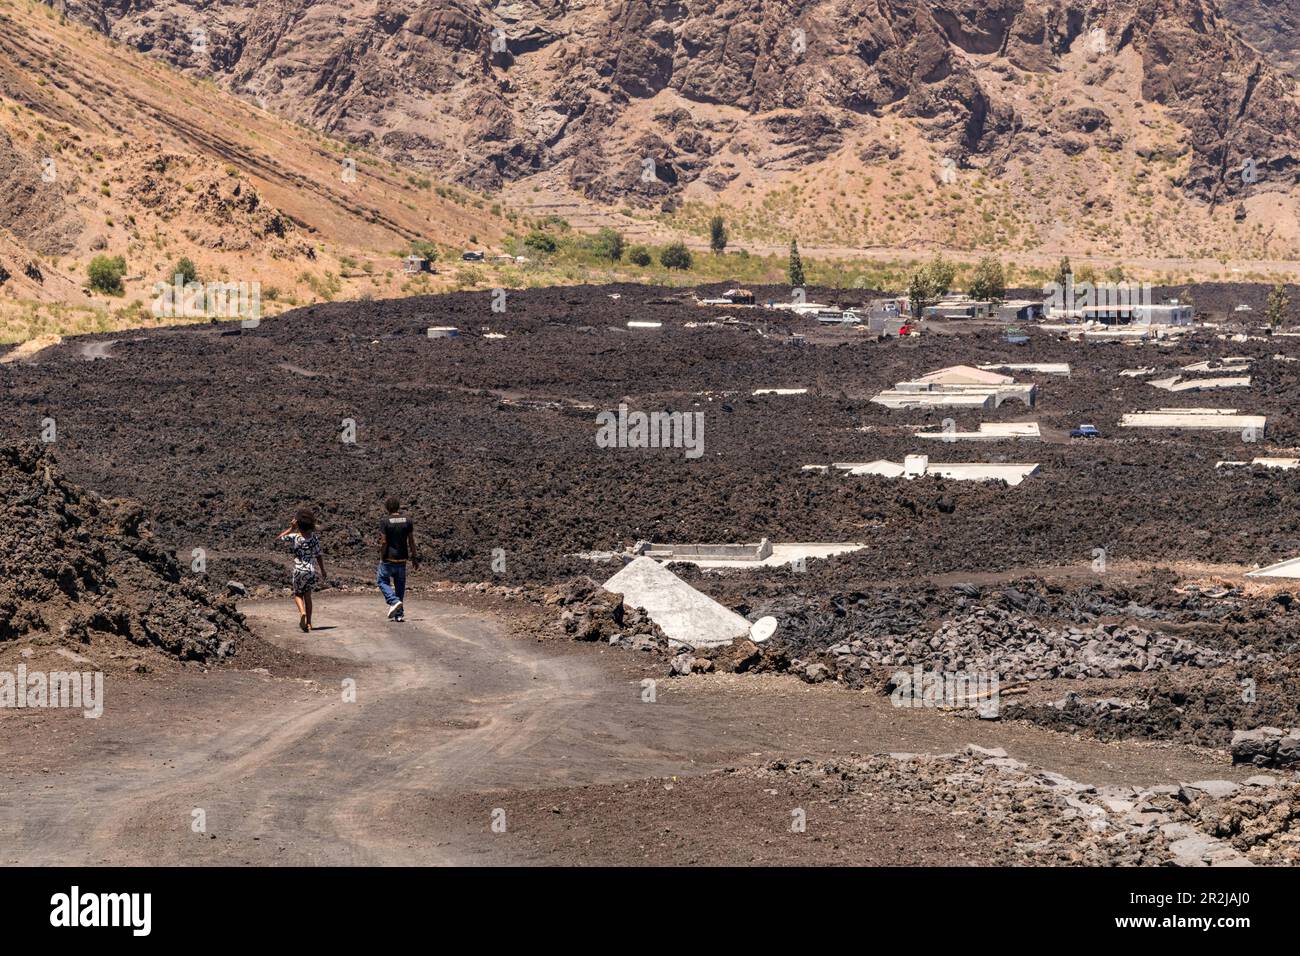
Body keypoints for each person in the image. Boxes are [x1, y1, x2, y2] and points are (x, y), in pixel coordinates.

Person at [277, 508, 326, 632]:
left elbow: (279, 538)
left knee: (298, 594)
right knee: (308, 597)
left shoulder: (295, 537)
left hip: (298, 571)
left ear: (297, 524)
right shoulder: (314, 539)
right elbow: (319, 555)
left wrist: (291, 528)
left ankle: (302, 612)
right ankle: (309, 623)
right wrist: (323, 570)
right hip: (310, 571)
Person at [376, 497, 419, 621]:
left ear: (387, 508)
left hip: (389, 559)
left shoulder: (385, 521)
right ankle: (399, 614)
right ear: (398, 507)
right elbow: (411, 541)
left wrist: (381, 556)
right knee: (400, 586)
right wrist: (414, 558)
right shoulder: (407, 520)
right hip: (402, 560)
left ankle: (393, 601)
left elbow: (384, 542)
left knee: (382, 580)